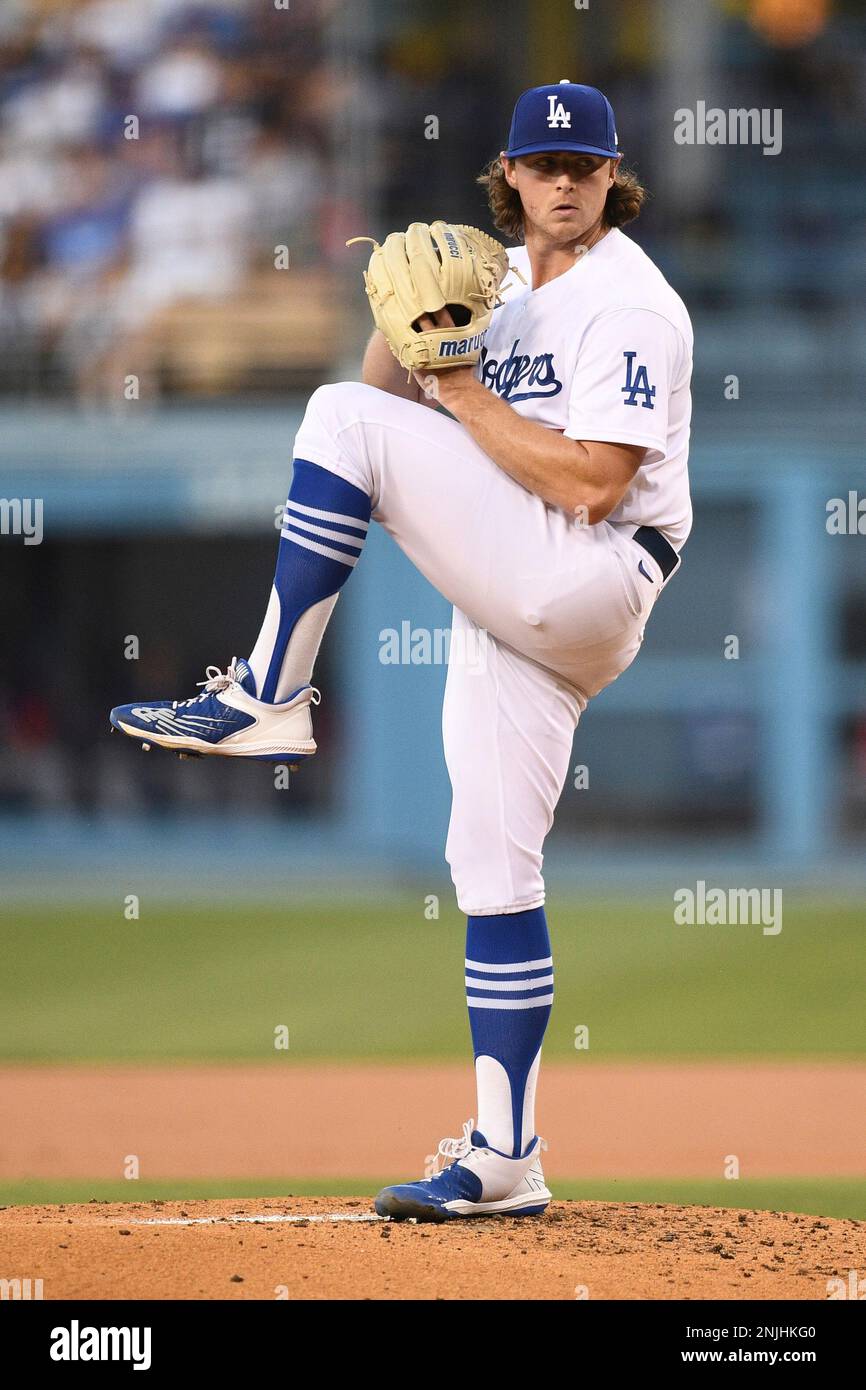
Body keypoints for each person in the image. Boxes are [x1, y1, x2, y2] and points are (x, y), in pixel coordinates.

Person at [110, 81, 693, 1222]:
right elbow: (396, 404)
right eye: (543, 163)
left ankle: (270, 693)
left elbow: (589, 481)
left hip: (589, 566)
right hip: (519, 604)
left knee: (331, 419)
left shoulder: (632, 304)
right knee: (492, 871)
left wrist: (459, 387)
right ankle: (505, 1154)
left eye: (583, 167)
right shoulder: (502, 278)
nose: (564, 182)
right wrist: (404, 328)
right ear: (510, 173)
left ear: (612, 176)